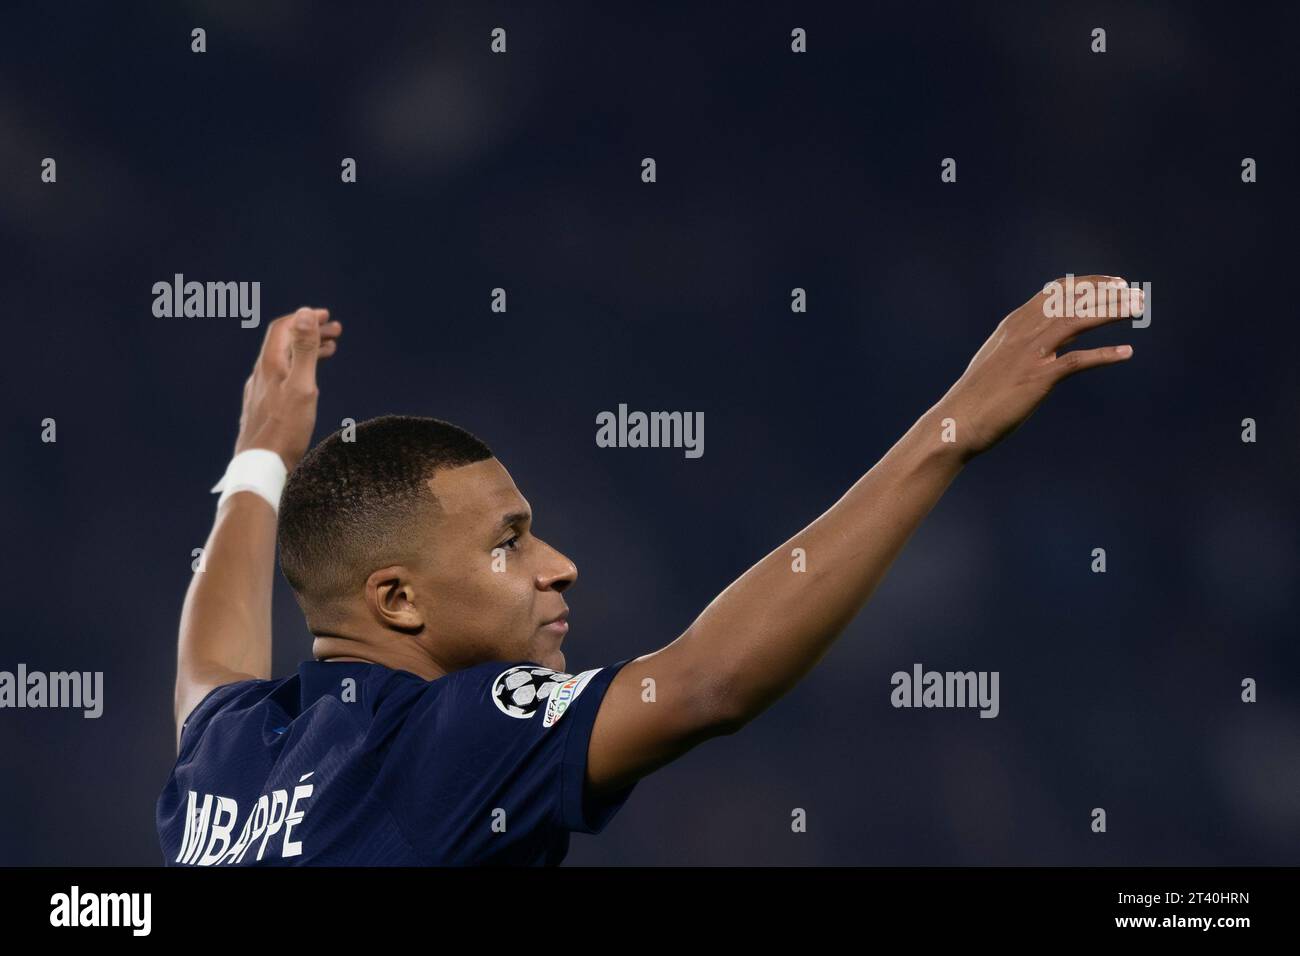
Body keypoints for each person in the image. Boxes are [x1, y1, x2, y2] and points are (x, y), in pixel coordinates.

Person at [157, 277, 1142, 865]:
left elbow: (211, 658)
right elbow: (710, 680)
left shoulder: (231, 758)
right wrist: (951, 430)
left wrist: (258, 459)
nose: (560, 565)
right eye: (510, 540)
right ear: (397, 597)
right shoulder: (442, 736)